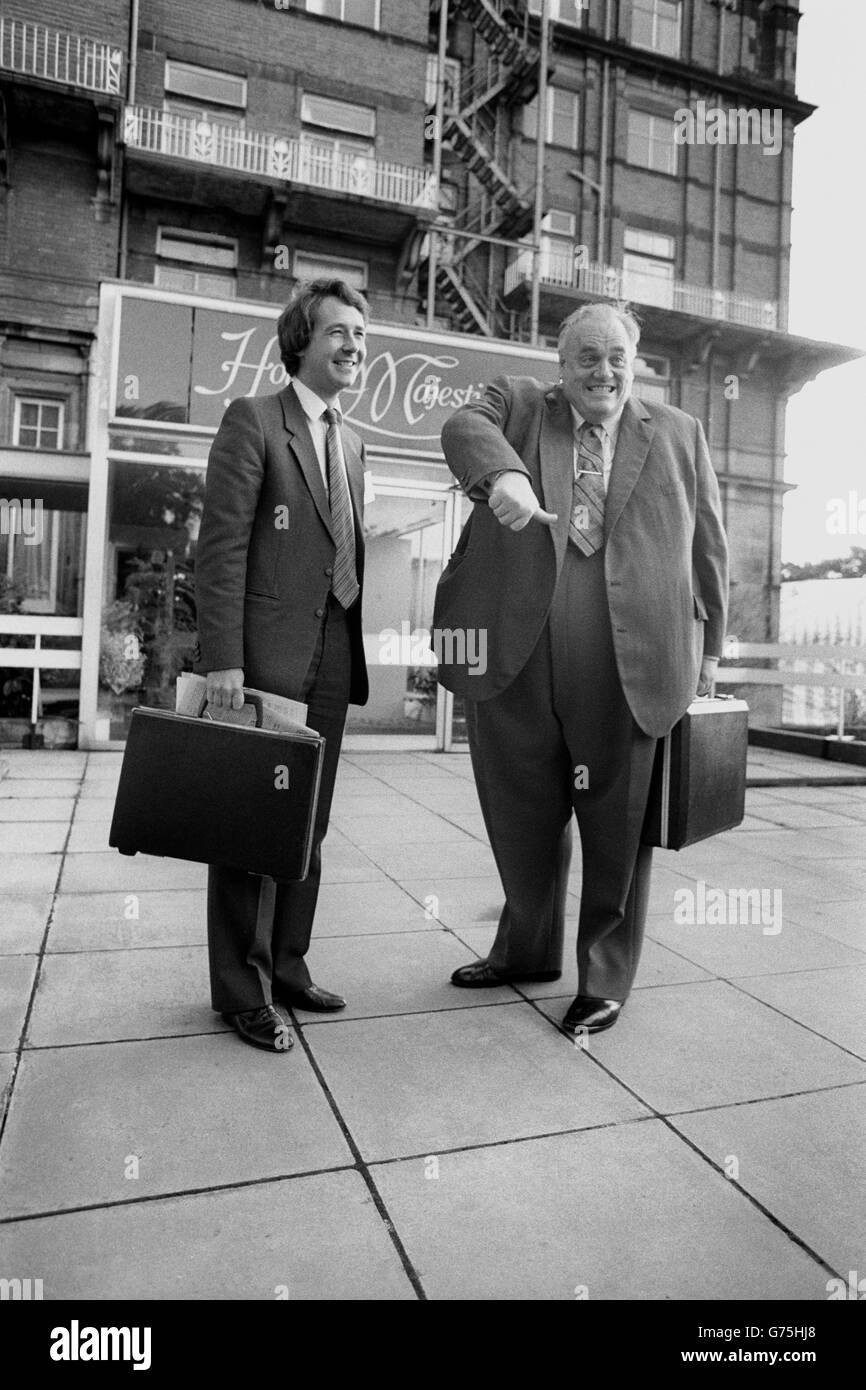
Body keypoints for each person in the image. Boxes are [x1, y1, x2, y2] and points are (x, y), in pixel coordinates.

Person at [432, 302, 728, 1035]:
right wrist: (503, 476)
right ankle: (524, 951)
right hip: (517, 658)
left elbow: (709, 547)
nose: (604, 371)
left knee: (617, 825)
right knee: (520, 816)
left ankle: (603, 977)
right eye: (587, 357)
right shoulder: (522, 405)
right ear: (561, 367)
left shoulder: (680, 433)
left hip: (630, 663)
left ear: (636, 360)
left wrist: (713, 648)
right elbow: (462, 424)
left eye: (617, 356)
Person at [193, 279, 369, 1053]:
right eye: (340, 332)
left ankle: (289, 965)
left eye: (362, 336)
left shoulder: (353, 441)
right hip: (264, 659)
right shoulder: (254, 421)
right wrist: (224, 660)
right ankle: (241, 990)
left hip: (334, 650)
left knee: (310, 823)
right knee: (249, 827)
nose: (354, 346)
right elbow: (222, 550)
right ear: (301, 339)